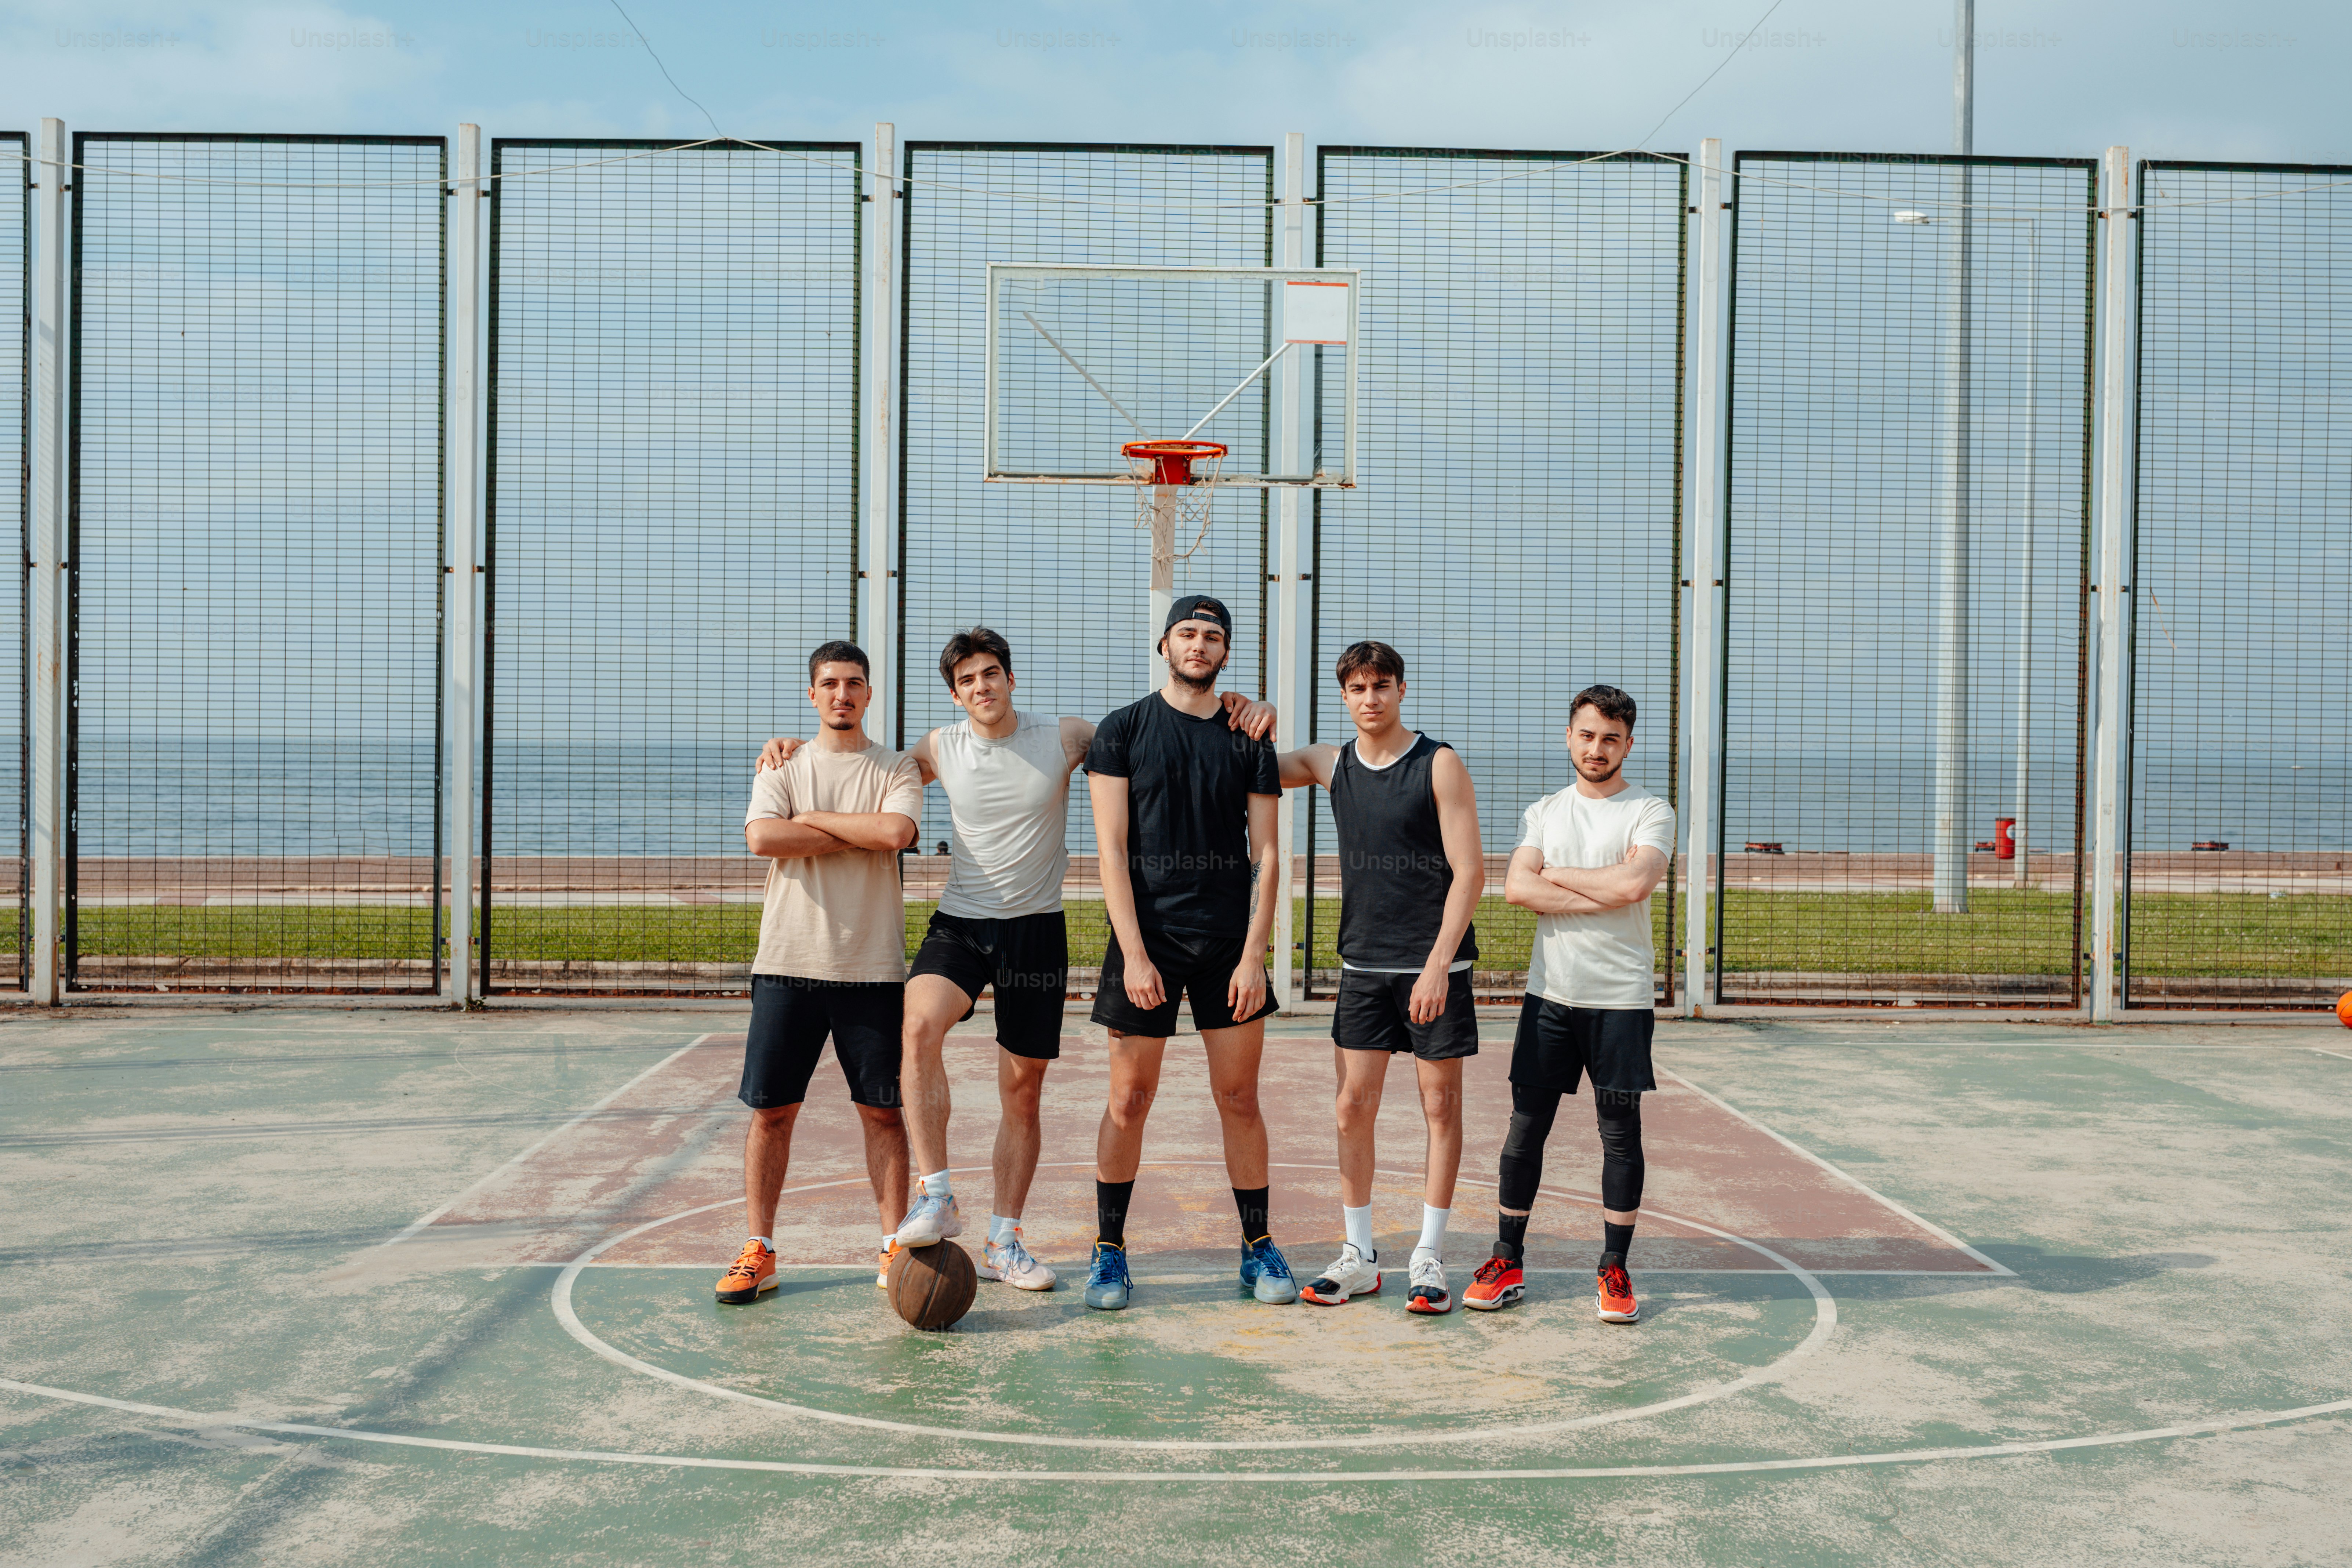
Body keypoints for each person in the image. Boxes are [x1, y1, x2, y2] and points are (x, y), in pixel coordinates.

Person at [756, 629, 1272, 1293]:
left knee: (1023, 1092)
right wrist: (793, 748)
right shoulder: (937, 748)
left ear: (1011, 679)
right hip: (962, 925)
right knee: (918, 1024)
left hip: (1036, 931)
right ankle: (937, 1194)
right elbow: (865, 769)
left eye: (991, 673)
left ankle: (1004, 1241)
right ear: (955, 694)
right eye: (968, 680)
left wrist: (1243, 708)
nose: (982, 687)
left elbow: (1163, 738)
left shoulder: (1066, 737)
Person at [1081, 595, 1291, 1311]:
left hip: (1228, 946)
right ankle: (1109, 1250)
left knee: (1239, 1098)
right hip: (1148, 944)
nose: (1199, 645)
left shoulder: (1248, 736)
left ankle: (1258, 1246)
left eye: (1213, 636)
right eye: (1188, 633)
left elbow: (1267, 854)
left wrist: (1254, 955)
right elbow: (1111, 852)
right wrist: (1135, 955)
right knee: (1129, 1100)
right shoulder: (1122, 730)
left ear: (1225, 652)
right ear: (1165, 645)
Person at [1270, 641, 1484, 1314]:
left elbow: (1471, 872)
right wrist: (1244, 711)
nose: (1371, 698)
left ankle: (1429, 1254)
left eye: (1382, 685)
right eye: (1358, 688)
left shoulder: (1438, 763)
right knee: (1352, 1107)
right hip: (1363, 964)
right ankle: (1359, 1256)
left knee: (1440, 1106)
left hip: (1433, 967)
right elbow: (1250, 766)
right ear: (1344, 696)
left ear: (1401, 690)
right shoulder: (1330, 764)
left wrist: (1438, 965)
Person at [716, 642, 923, 1306]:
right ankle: (760, 1249)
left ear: (869, 694)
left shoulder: (896, 766)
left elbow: (896, 833)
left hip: (872, 969)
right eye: (830, 684)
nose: (842, 694)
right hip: (788, 965)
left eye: (854, 683)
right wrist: (857, 832)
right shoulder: (784, 763)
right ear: (813, 695)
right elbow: (762, 838)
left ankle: (894, 1247)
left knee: (884, 1114)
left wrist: (807, 822)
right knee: (772, 1112)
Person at [1462, 684, 1672, 1324]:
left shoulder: (1650, 810)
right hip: (1550, 997)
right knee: (1526, 1129)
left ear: (1628, 744)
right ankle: (1507, 1259)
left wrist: (1555, 875)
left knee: (1620, 1135)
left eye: (1611, 738)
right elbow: (1516, 890)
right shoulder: (1546, 811)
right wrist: (1602, 891)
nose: (1597, 748)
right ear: (1569, 737)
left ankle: (1614, 1267)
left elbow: (1636, 883)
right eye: (1587, 735)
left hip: (1620, 1002)